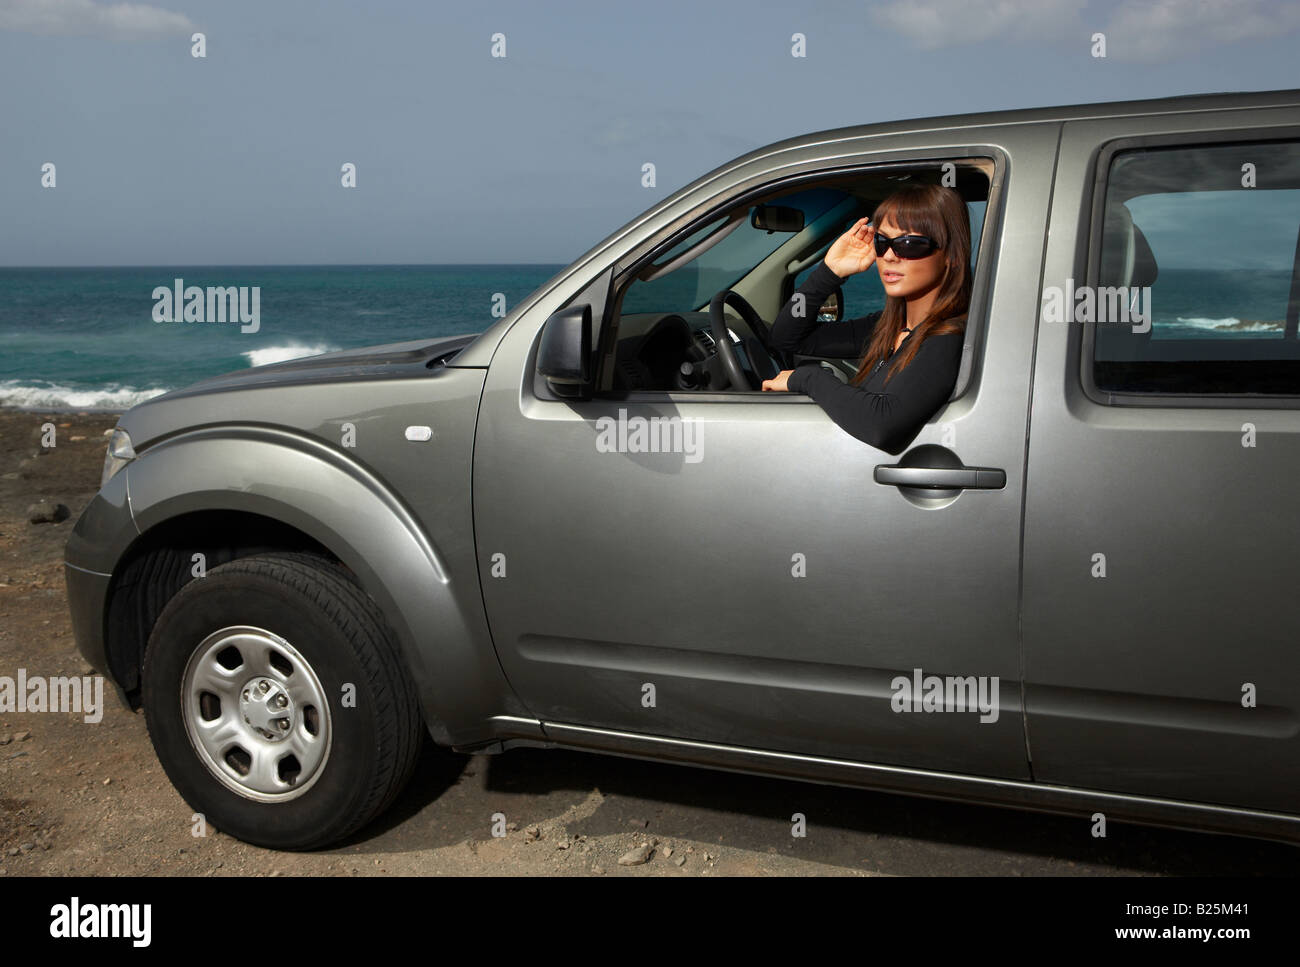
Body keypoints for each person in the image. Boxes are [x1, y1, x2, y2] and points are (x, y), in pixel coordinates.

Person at [762, 183, 971, 455]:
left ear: (951, 257)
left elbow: (881, 425)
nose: (890, 256)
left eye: (910, 244)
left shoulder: (946, 339)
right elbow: (787, 337)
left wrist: (806, 378)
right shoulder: (889, 327)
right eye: (882, 243)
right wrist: (829, 271)